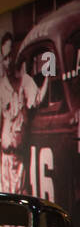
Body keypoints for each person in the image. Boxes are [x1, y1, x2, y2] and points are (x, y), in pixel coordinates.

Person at [0, 32, 50, 194]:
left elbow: (38, 98)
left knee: (21, 200)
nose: (8, 61)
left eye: (10, 56)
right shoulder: (0, 88)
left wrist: (48, 74)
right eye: (5, 58)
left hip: (21, 159)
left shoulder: (25, 82)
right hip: (5, 161)